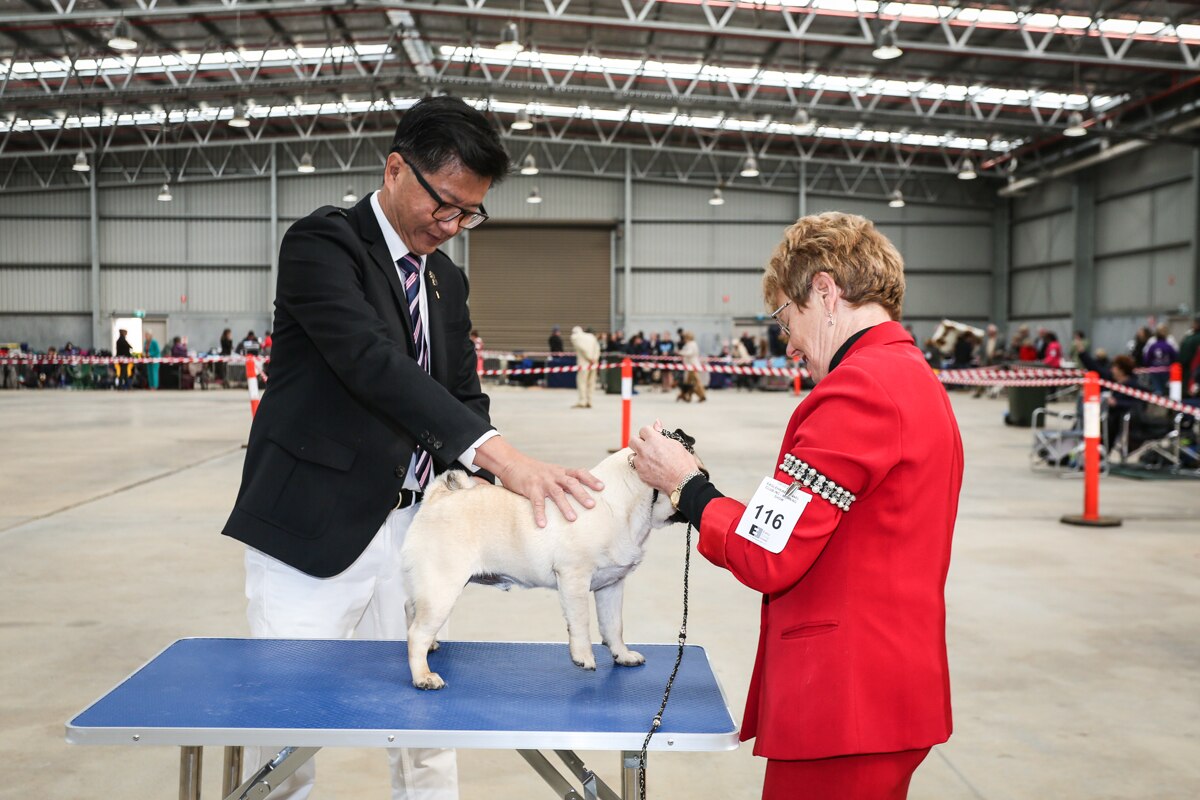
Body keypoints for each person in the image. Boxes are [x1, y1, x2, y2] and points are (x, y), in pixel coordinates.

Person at [221, 95, 602, 800]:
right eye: (447, 206)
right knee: (285, 734)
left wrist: (503, 497)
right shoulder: (321, 245)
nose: (454, 227)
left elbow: (462, 396)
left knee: (428, 721)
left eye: (471, 214)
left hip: (420, 530)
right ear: (396, 169)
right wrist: (501, 456)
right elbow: (371, 362)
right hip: (312, 530)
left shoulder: (446, 279)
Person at [628, 211, 962, 800]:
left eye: (785, 317)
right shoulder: (911, 376)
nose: (788, 342)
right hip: (888, 692)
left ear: (825, 292)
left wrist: (689, 488)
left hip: (847, 703)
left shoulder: (859, 391)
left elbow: (767, 554)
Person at [570, 325, 600, 408]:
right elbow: (597, 349)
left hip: (584, 363)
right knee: (591, 383)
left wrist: (589, 358)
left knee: (582, 382)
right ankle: (590, 401)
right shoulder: (591, 336)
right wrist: (594, 359)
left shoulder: (575, 337)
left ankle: (582, 401)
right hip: (594, 363)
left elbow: (582, 349)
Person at [676, 331, 707, 402]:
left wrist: (680, 352)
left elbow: (689, 353)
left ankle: (701, 395)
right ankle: (686, 396)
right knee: (688, 383)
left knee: (695, 383)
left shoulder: (691, 344)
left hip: (692, 366)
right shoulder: (690, 344)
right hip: (689, 366)